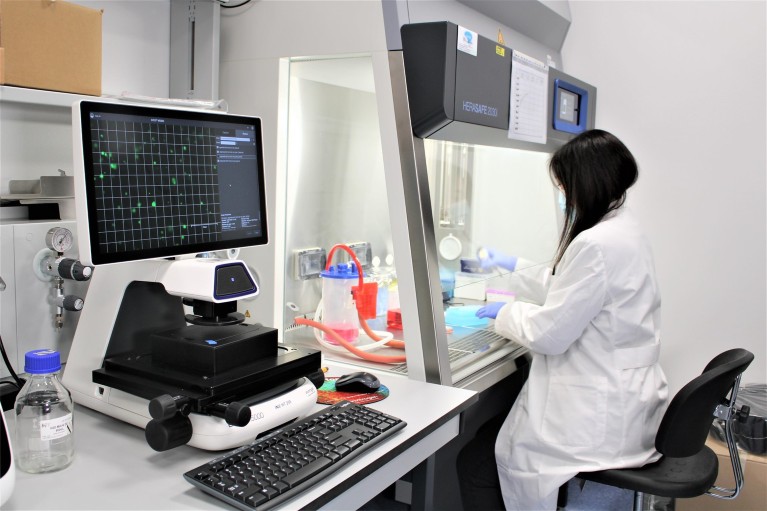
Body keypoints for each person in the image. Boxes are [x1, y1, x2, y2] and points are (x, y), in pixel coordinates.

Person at [458, 129, 669, 510]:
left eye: (563, 186)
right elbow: (572, 288)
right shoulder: (623, 229)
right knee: (487, 444)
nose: (563, 196)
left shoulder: (597, 243)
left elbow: (549, 335)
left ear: (585, 183)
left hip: (593, 418)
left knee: (475, 464)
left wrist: (505, 312)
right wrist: (512, 265)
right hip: (621, 399)